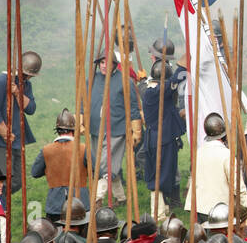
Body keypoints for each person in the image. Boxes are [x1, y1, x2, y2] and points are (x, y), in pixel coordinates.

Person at [0, 50, 41, 195]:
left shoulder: (26, 85)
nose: (27, 78)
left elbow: (31, 108)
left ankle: (1, 207)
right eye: (25, 74)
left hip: (16, 139)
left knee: (16, 181)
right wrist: (4, 132)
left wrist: (17, 93)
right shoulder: (0, 82)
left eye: (29, 76)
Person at [86, 52, 141, 206]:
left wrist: (136, 130)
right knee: (102, 162)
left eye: (107, 62)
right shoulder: (91, 80)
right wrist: (82, 121)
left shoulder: (125, 81)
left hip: (117, 129)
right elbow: (84, 102)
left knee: (106, 164)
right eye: (102, 62)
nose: (104, 65)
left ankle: (97, 198)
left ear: (114, 65)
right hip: (96, 129)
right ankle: (121, 197)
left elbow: (133, 106)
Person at [139, 56, 187, 212]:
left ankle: (163, 208)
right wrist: (181, 66)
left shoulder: (152, 88)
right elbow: (175, 81)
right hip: (161, 139)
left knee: (165, 174)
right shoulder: (156, 91)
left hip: (161, 138)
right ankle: (158, 212)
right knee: (160, 176)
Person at [30, 109, 90, 222]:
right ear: (73, 131)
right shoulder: (83, 148)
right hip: (81, 204)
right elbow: (96, 170)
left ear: (57, 131)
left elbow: (35, 172)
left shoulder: (46, 150)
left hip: (56, 206)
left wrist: (51, 167)